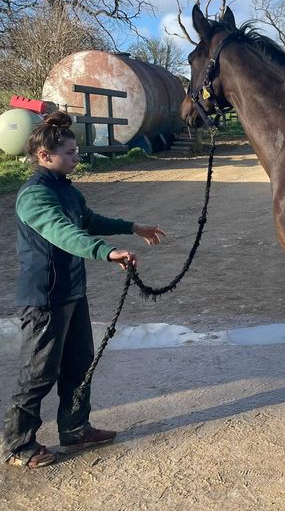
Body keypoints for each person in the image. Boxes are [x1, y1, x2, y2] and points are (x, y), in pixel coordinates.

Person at [2, 111, 166, 469]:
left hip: (72, 293)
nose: (77, 157)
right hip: (44, 298)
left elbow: (86, 220)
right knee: (39, 372)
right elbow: (64, 232)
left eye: (77, 151)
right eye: (71, 152)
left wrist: (132, 226)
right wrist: (105, 251)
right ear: (45, 156)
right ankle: (18, 445)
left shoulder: (65, 188)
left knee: (79, 363)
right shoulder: (34, 196)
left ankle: (75, 429)